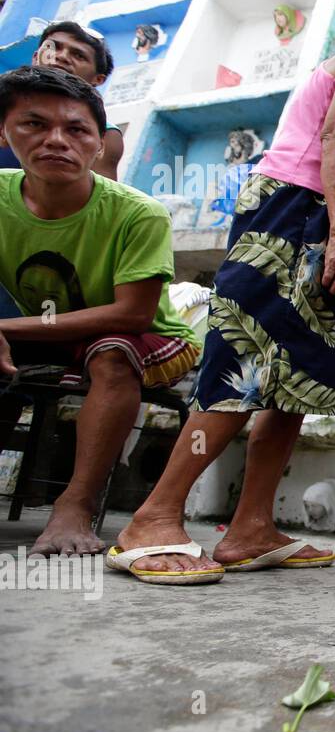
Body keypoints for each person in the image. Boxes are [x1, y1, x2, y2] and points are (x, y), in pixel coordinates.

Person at [111, 6, 335, 584]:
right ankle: (154, 516)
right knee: (243, 364)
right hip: (298, 217)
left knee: (296, 384)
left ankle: (250, 528)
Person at [0, 66, 200, 555]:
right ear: (4, 132)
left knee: (110, 352)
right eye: (34, 125)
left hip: (151, 336)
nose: (56, 141)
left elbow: (131, 315)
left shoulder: (138, 213)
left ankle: (75, 505)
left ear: (98, 145)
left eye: (76, 129)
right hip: (53, 333)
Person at [0, 22, 123, 178]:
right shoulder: (4, 105)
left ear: (98, 79)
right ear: (36, 57)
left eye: (78, 55)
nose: (62, 56)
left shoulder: (105, 134)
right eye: (53, 48)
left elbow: (100, 198)